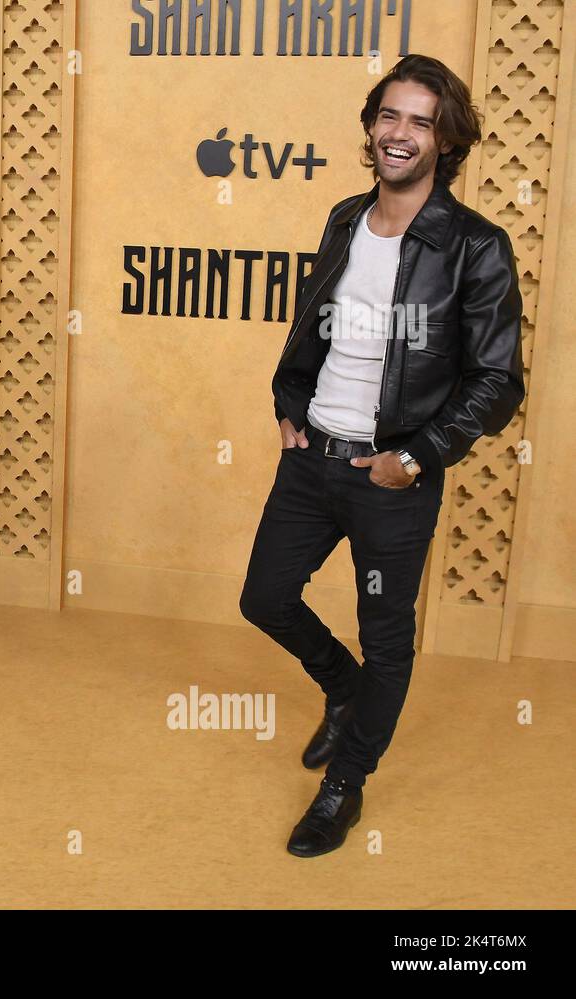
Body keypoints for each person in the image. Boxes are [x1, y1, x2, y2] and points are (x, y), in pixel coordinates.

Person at [239, 55, 524, 857]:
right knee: (264, 598)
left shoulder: (475, 246)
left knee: (387, 636)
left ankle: (343, 786)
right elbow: (315, 327)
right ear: (370, 127)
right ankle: (342, 690)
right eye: (390, 116)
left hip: (391, 477)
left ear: (446, 139)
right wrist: (287, 404)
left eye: (421, 121)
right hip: (311, 459)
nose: (400, 134)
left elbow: (498, 381)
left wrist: (418, 456)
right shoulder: (342, 218)